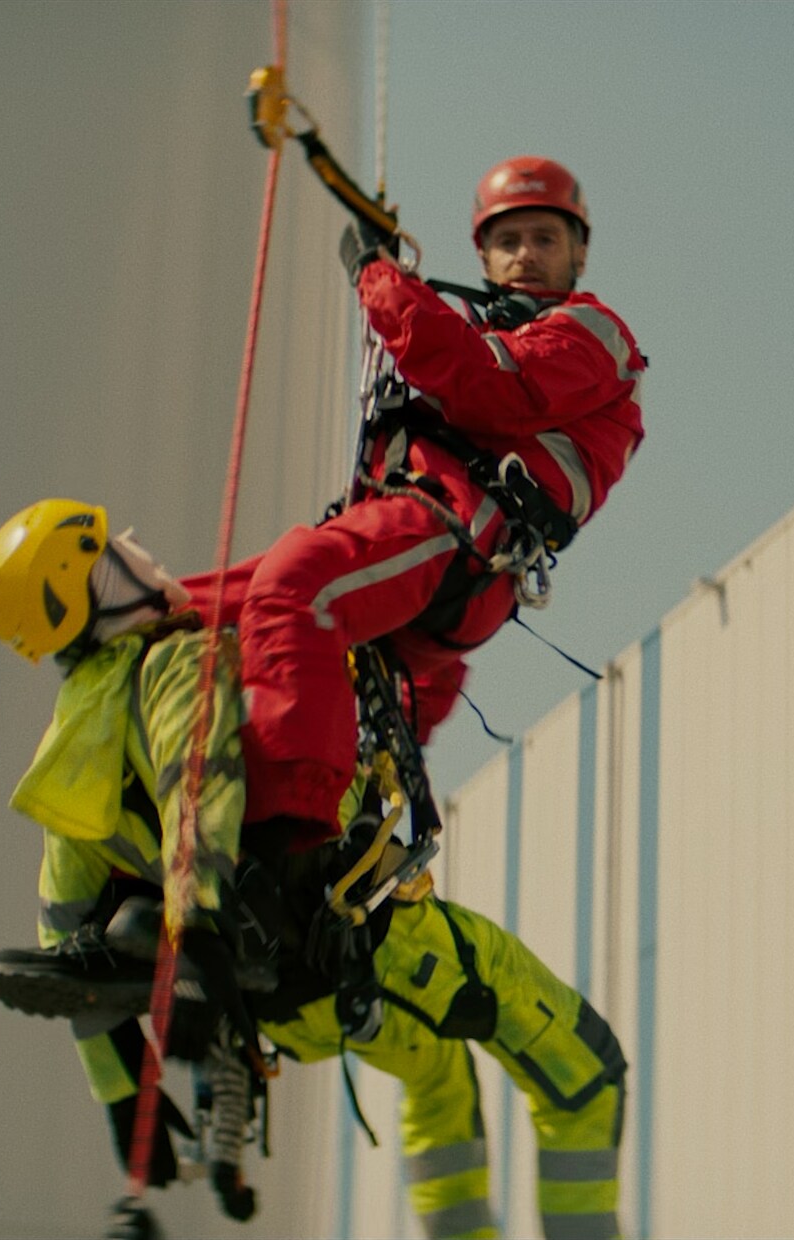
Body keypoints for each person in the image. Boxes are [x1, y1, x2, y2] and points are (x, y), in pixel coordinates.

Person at [0, 500, 628, 1240]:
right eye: (113, 550)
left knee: (439, 1076)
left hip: (282, 1006)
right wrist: (195, 928)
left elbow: (62, 919)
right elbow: (200, 784)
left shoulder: (73, 737)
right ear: (98, 586)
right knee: (588, 1073)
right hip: (362, 951)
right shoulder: (176, 663)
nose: (136, 546)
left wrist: (125, 1099)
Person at [182, 154, 646, 855]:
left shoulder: (592, 335)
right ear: (484, 255)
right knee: (184, 618)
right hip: (422, 543)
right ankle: (165, 885)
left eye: (545, 239)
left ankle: (289, 850)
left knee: (298, 583)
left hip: (462, 537)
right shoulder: (481, 333)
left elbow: (488, 384)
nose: (525, 255)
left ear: (580, 251)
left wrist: (378, 276)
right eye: (509, 240)